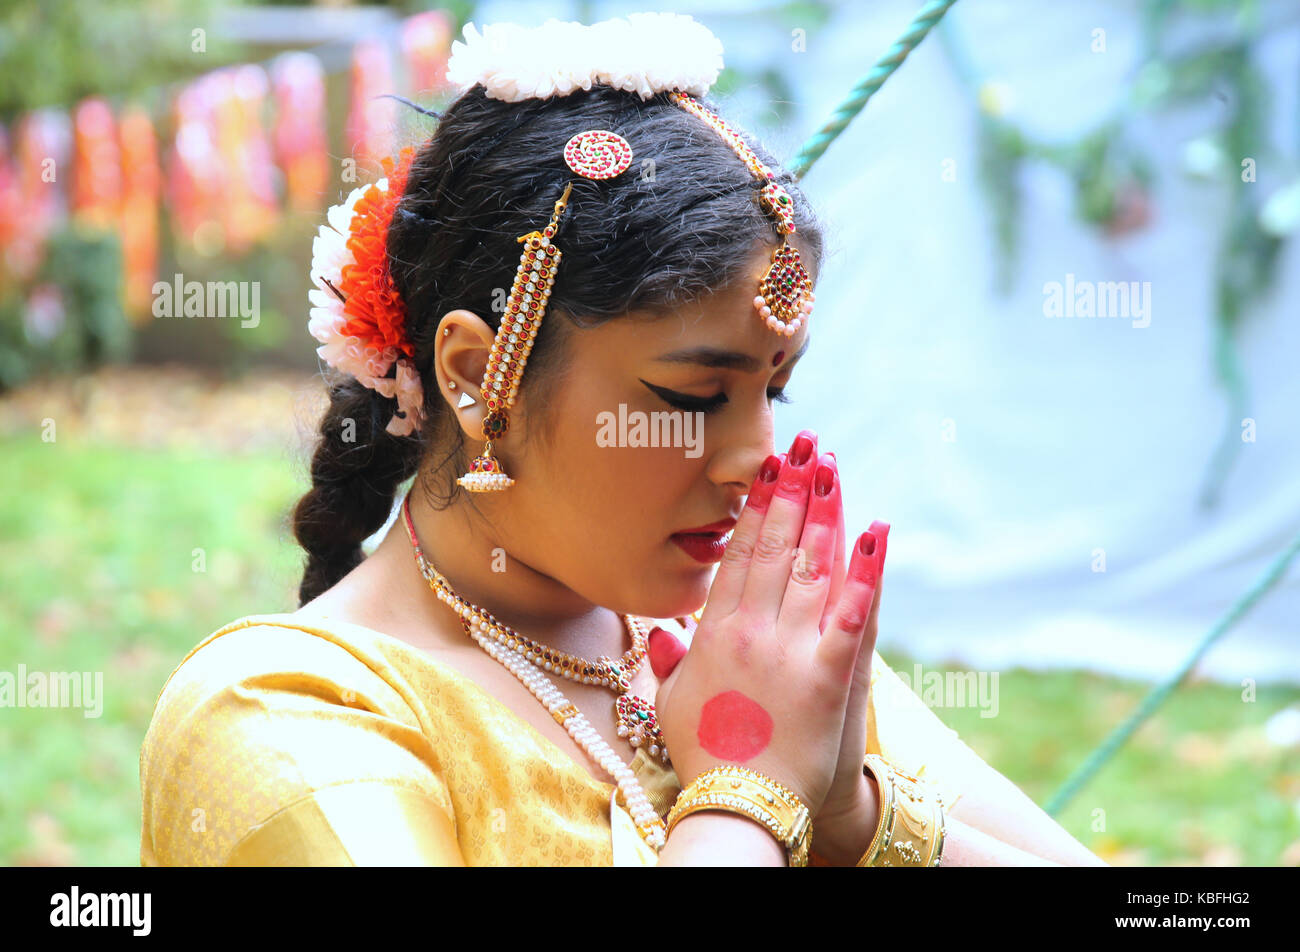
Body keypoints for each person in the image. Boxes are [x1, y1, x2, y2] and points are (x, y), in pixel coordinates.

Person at [139, 13, 1106, 866]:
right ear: (481, 376)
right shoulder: (281, 713)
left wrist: (852, 814)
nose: (757, 456)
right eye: (692, 395)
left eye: (777, 388)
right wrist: (750, 791)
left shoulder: (741, 647)